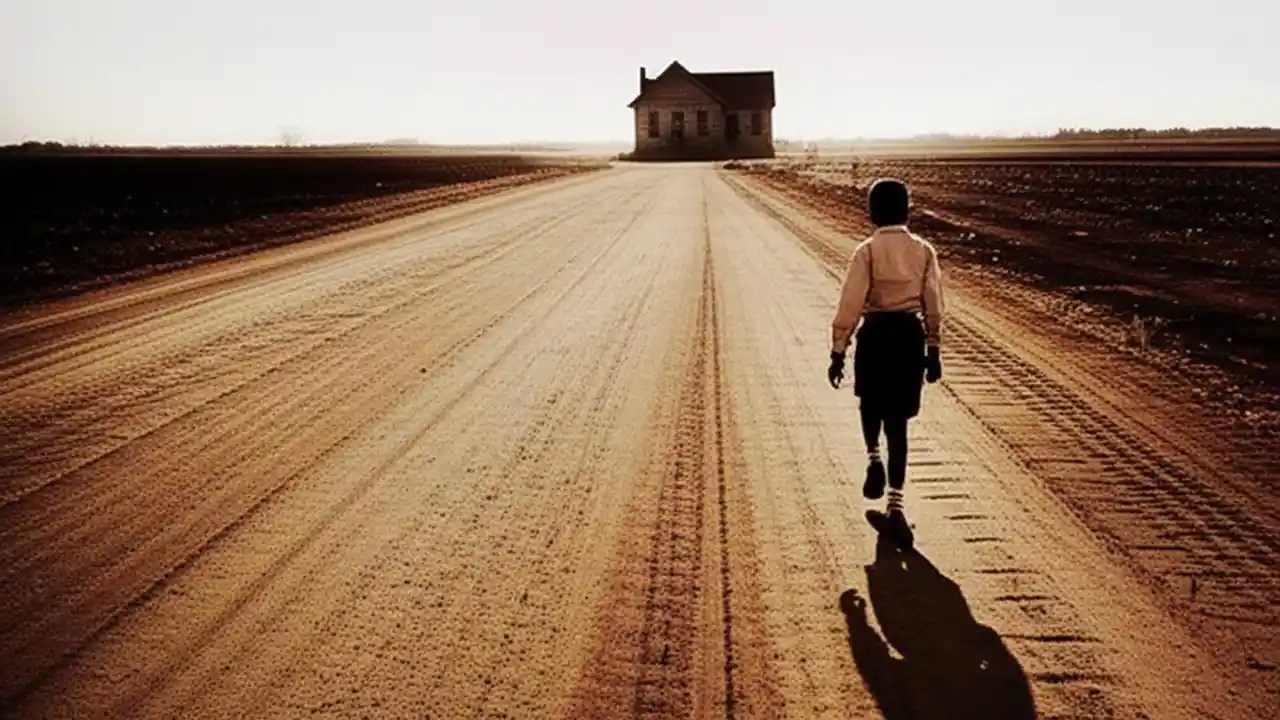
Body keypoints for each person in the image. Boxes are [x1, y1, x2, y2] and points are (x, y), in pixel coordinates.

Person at [827, 178, 944, 549]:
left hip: (875, 334)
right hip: (908, 337)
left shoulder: (866, 251)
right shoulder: (924, 252)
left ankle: (873, 458)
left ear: (872, 212)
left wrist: (838, 348)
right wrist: (933, 349)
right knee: (899, 424)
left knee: (869, 402)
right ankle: (896, 507)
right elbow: (934, 304)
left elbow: (851, 301)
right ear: (907, 209)